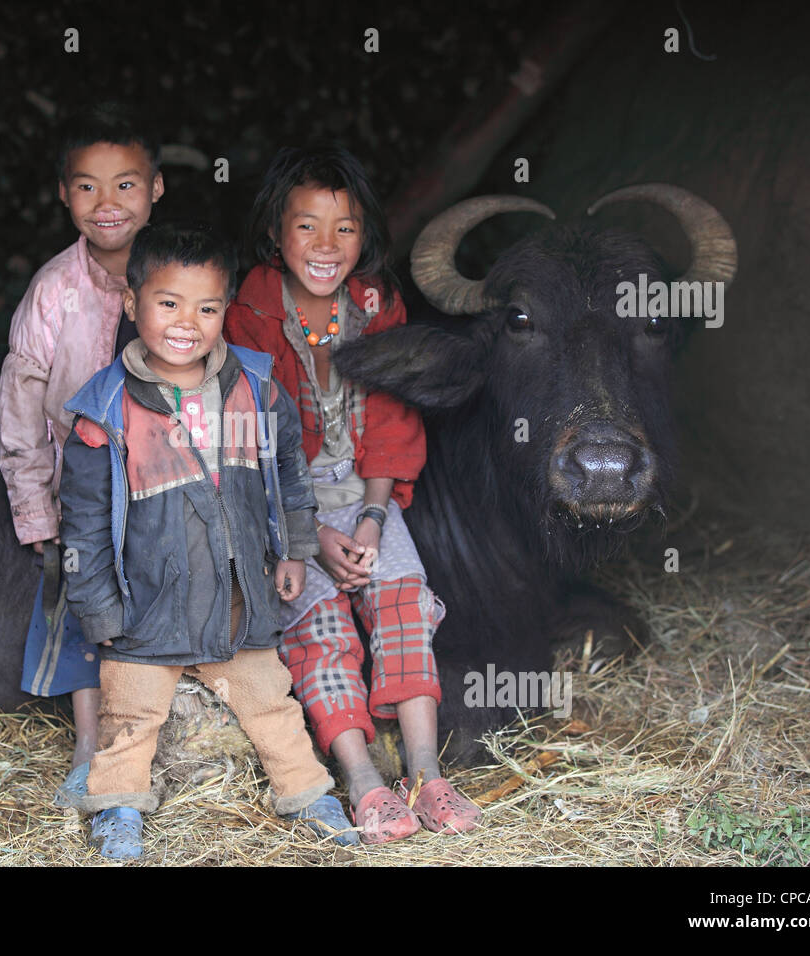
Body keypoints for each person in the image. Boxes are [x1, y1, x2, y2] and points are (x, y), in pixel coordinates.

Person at [60, 222, 357, 859]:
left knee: (272, 703)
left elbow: (289, 472)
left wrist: (295, 551)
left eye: (207, 307)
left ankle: (311, 795)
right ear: (131, 303)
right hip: (146, 605)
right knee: (130, 718)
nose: (186, 322)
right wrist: (100, 609)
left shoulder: (254, 385)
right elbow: (81, 523)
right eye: (168, 303)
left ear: (226, 311)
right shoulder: (105, 410)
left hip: (239, 594)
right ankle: (117, 808)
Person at [223, 143, 482, 843]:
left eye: (345, 227)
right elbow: (254, 443)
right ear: (276, 233)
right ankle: (363, 778)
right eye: (306, 225)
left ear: (365, 234)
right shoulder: (250, 309)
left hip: (367, 495)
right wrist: (311, 534)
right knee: (322, 630)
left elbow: (395, 423)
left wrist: (371, 520)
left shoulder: (376, 304)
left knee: (401, 604)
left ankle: (426, 774)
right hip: (284, 506)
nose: (326, 245)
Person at [0, 102, 163, 807]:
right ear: (64, 194)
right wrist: (38, 515)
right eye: (87, 186)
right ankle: (89, 746)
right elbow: (21, 411)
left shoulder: (173, 278)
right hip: (82, 492)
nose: (107, 203)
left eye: (126, 184)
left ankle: (160, 739)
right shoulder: (52, 293)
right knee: (79, 608)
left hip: (165, 482)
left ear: (156, 189)